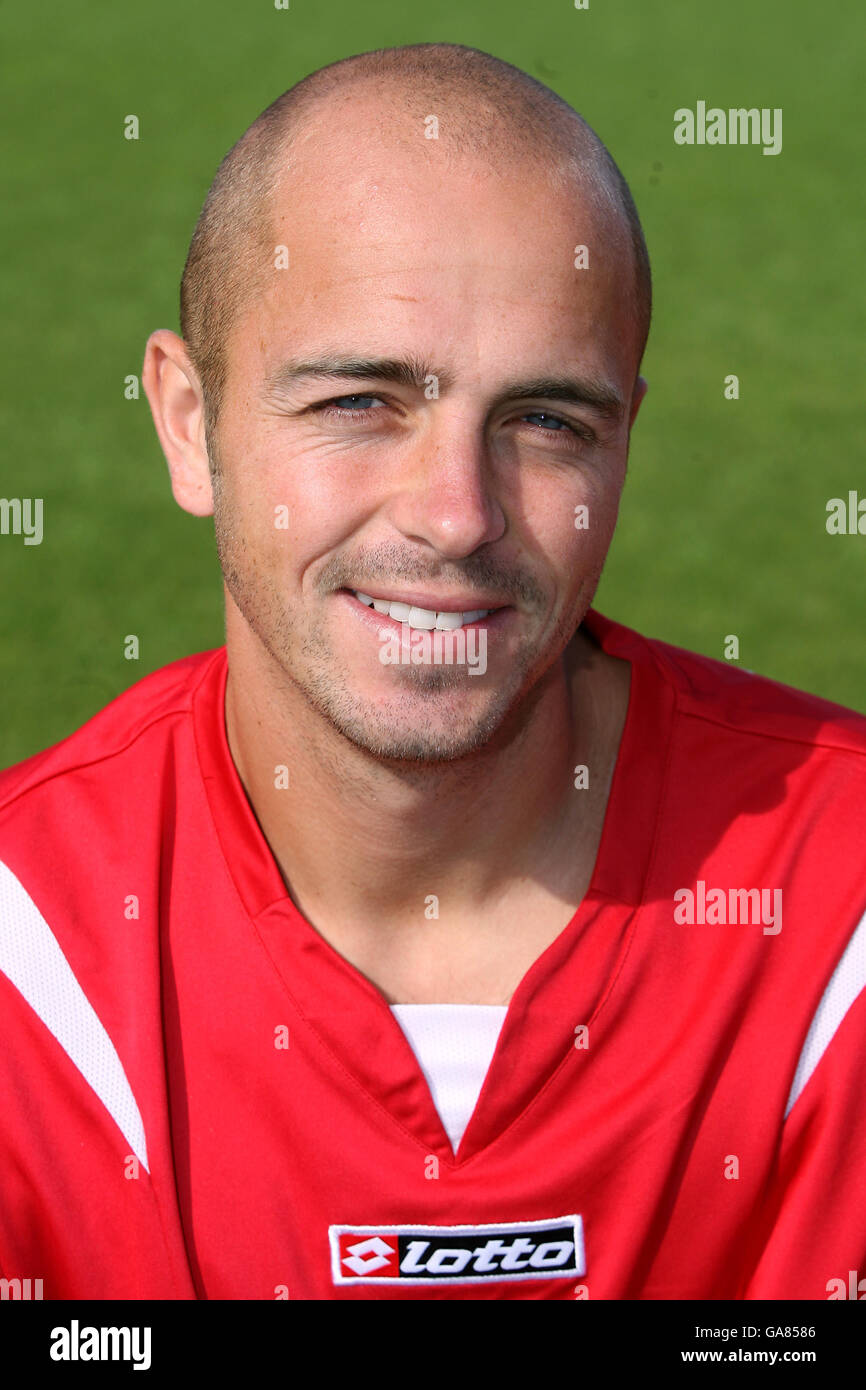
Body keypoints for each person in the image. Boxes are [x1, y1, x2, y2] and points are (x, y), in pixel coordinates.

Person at [0, 42, 863, 1302]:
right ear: (189, 423)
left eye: (545, 421)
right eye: (360, 401)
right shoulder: (31, 950)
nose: (455, 514)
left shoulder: (836, 904)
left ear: (626, 433)